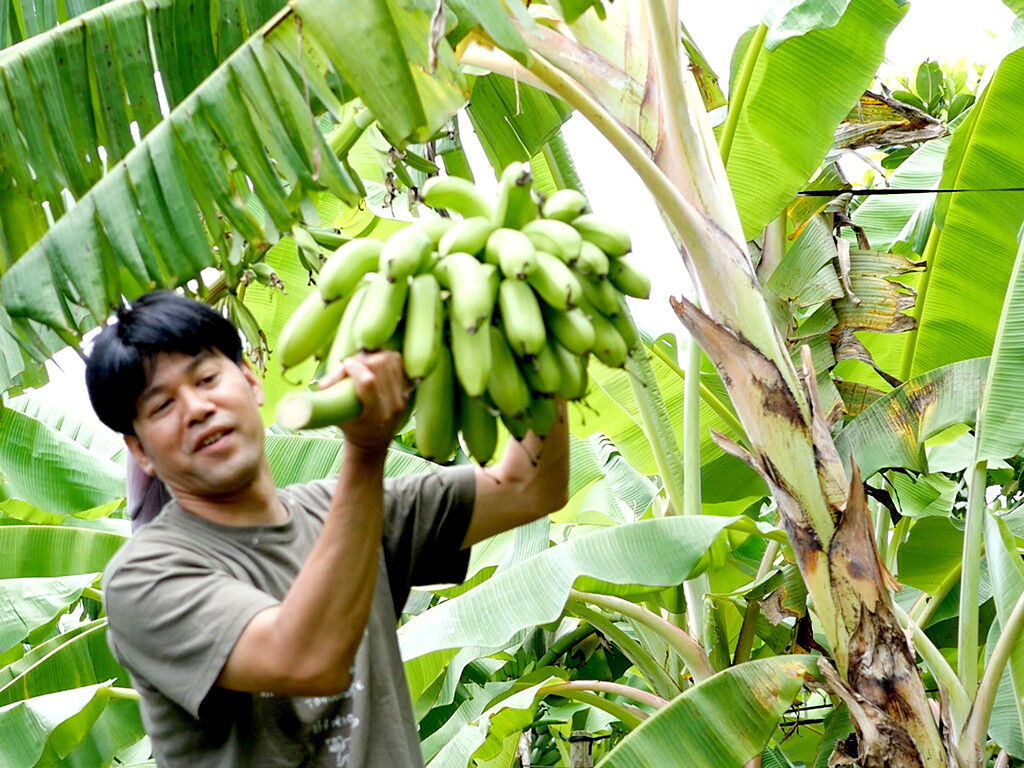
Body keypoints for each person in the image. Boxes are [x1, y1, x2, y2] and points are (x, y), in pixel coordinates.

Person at [86, 290, 569, 768]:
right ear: (141, 451)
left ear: (252, 382)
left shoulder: (343, 509)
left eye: (207, 377)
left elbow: (529, 486)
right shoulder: (142, 578)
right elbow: (305, 660)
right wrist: (365, 451)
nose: (196, 408)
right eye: (162, 406)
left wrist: (535, 332)